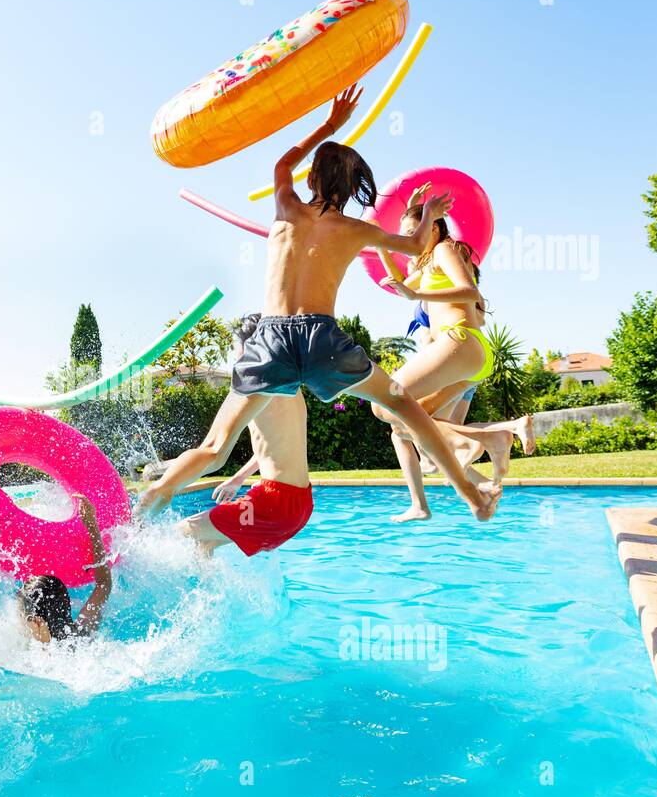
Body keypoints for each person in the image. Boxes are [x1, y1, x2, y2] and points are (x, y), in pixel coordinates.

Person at [136, 84, 500, 522]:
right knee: (401, 403)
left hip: (269, 338)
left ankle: (154, 495)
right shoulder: (354, 229)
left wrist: (330, 125)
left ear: (311, 179)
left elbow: (282, 162)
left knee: (215, 449)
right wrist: (428, 213)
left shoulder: (287, 206)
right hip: (320, 338)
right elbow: (416, 243)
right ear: (351, 191)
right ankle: (470, 494)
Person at [375, 190, 535, 521]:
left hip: (457, 341)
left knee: (383, 403)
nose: (409, 242)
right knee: (407, 425)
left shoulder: (445, 249)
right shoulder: (426, 262)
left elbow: (469, 290)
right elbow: (402, 280)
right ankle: (423, 504)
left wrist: (415, 293)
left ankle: (488, 437)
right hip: (469, 354)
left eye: (413, 234)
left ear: (434, 228)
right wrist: (379, 243)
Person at [178, 314, 313, 556]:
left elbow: (214, 451)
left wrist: (166, 483)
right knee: (205, 544)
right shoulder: (291, 385)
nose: (234, 358)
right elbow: (269, 448)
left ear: (251, 348)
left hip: (274, 504)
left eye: (234, 350)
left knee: (181, 531)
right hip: (300, 505)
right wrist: (239, 478)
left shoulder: (256, 385)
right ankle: (208, 593)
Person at [16, 494, 112, 643]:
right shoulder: (82, 633)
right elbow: (103, 584)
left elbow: (104, 585)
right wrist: (92, 527)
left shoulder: (31, 657)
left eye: (20, 612)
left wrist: (44, 646)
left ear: (34, 621)